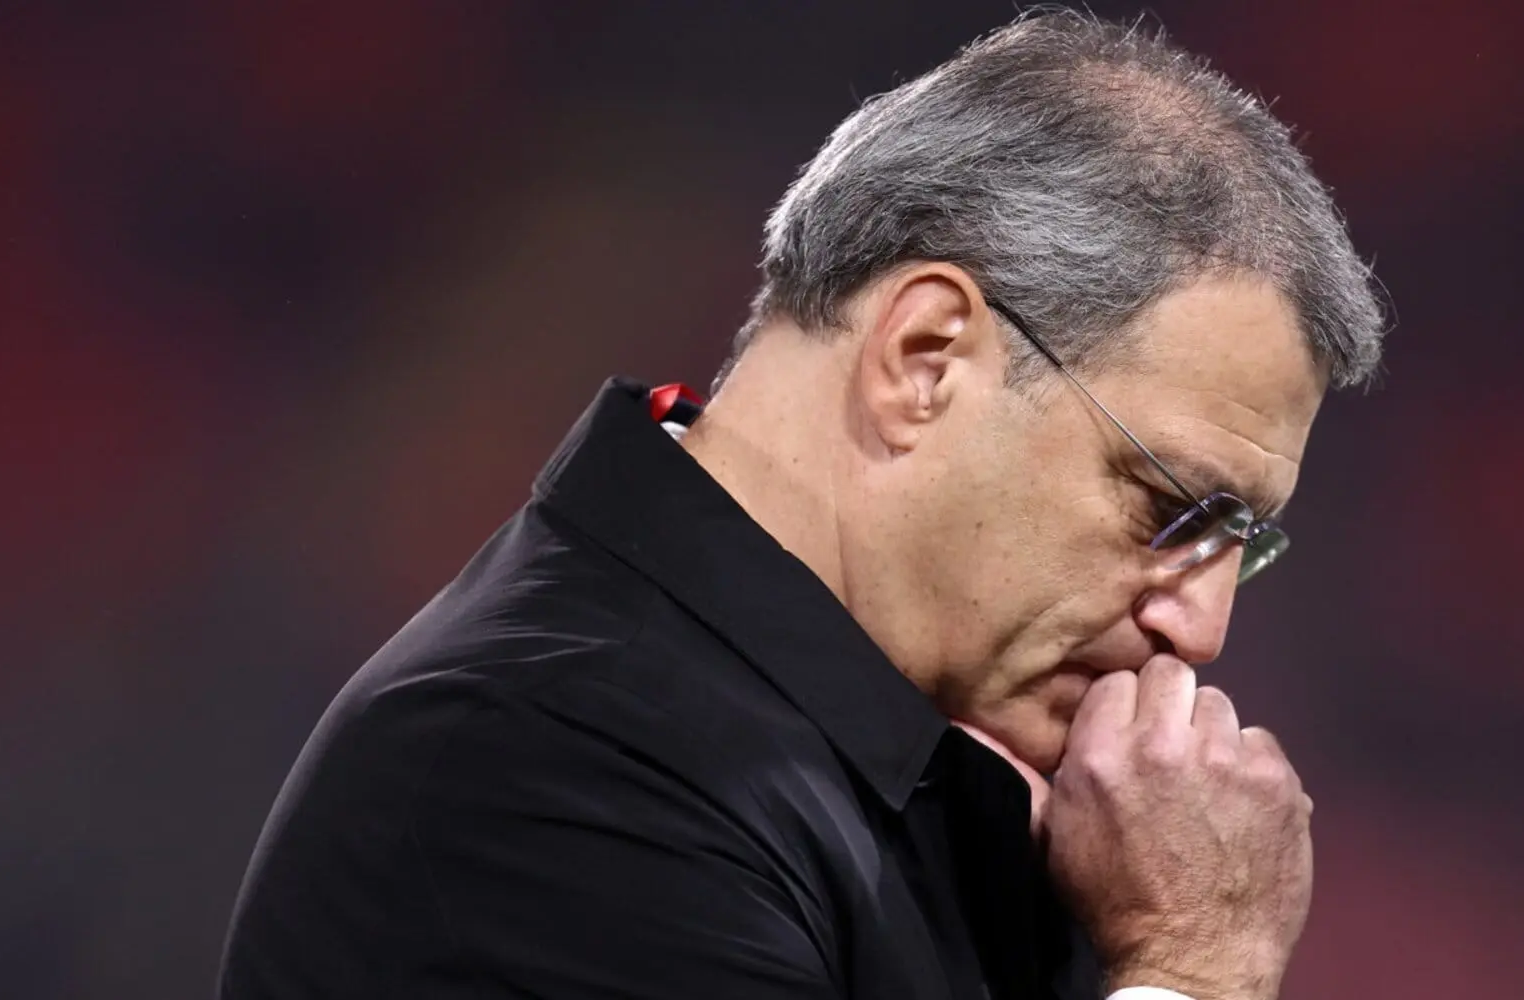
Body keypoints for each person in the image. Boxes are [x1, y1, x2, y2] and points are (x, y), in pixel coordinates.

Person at [219, 10, 1385, 1000]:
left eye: (1238, 543)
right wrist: (1189, 968)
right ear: (924, 358)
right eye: (1167, 506)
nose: (1200, 628)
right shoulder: (548, 772)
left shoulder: (947, 795)